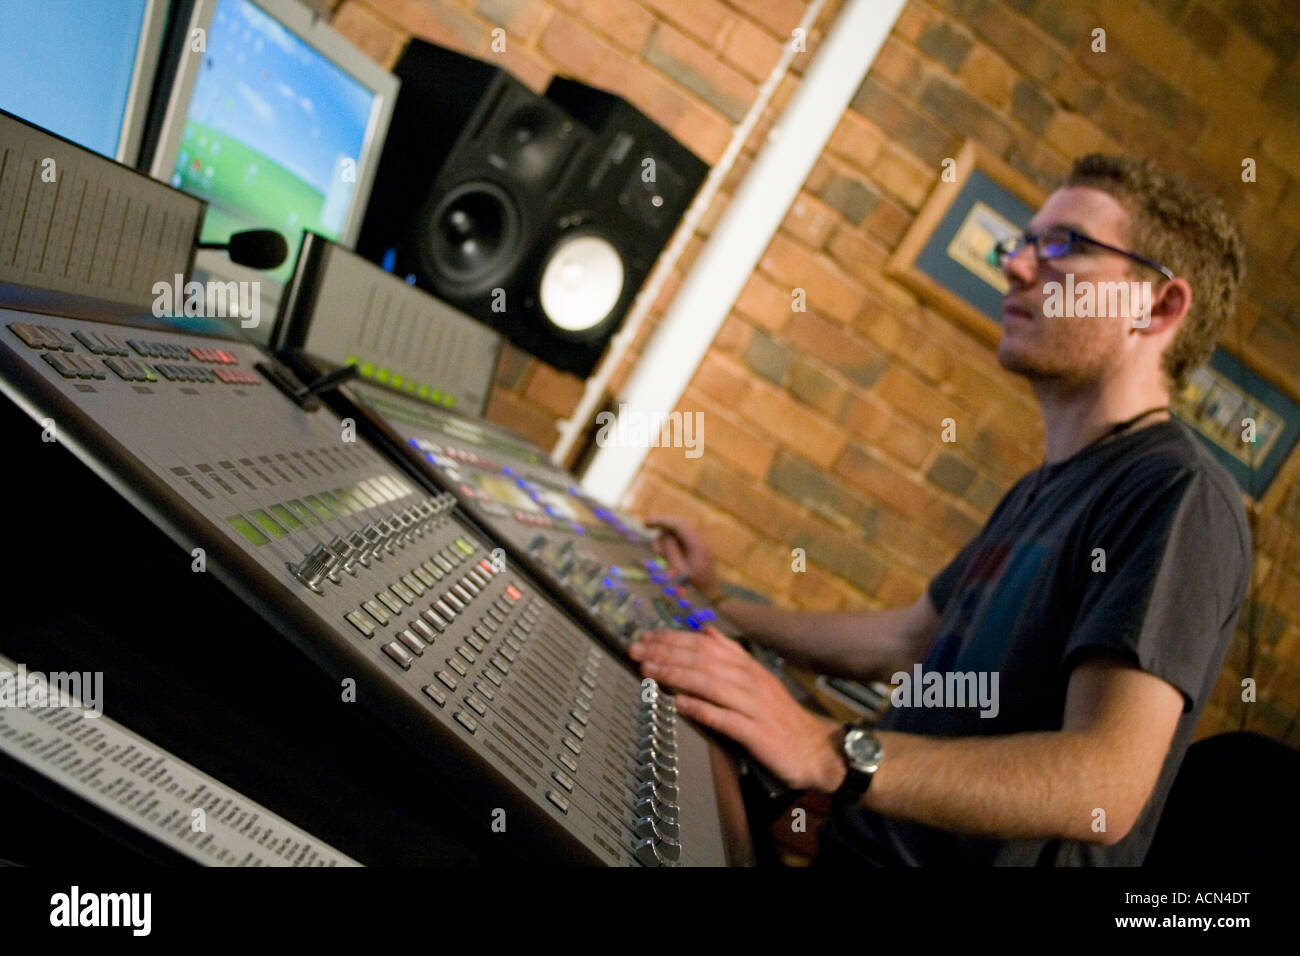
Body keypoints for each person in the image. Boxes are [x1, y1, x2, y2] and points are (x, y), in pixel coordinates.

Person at [629, 154, 1251, 865]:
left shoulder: (1176, 493)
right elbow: (904, 640)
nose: (1016, 268)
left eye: (1064, 248)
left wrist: (830, 752)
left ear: (1160, 306)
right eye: (1022, 244)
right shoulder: (1042, 486)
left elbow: (1103, 783)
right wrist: (714, 606)